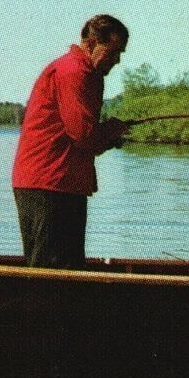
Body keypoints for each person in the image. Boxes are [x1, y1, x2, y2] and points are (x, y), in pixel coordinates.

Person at [12, 14, 129, 268]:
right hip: (48, 183)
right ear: (92, 43)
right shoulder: (74, 72)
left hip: (61, 183)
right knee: (52, 272)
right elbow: (84, 136)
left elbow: (84, 136)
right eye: (113, 52)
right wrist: (109, 132)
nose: (117, 60)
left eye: (120, 53)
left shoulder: (86, 73)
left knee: (67, 269)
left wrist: (108, 137)